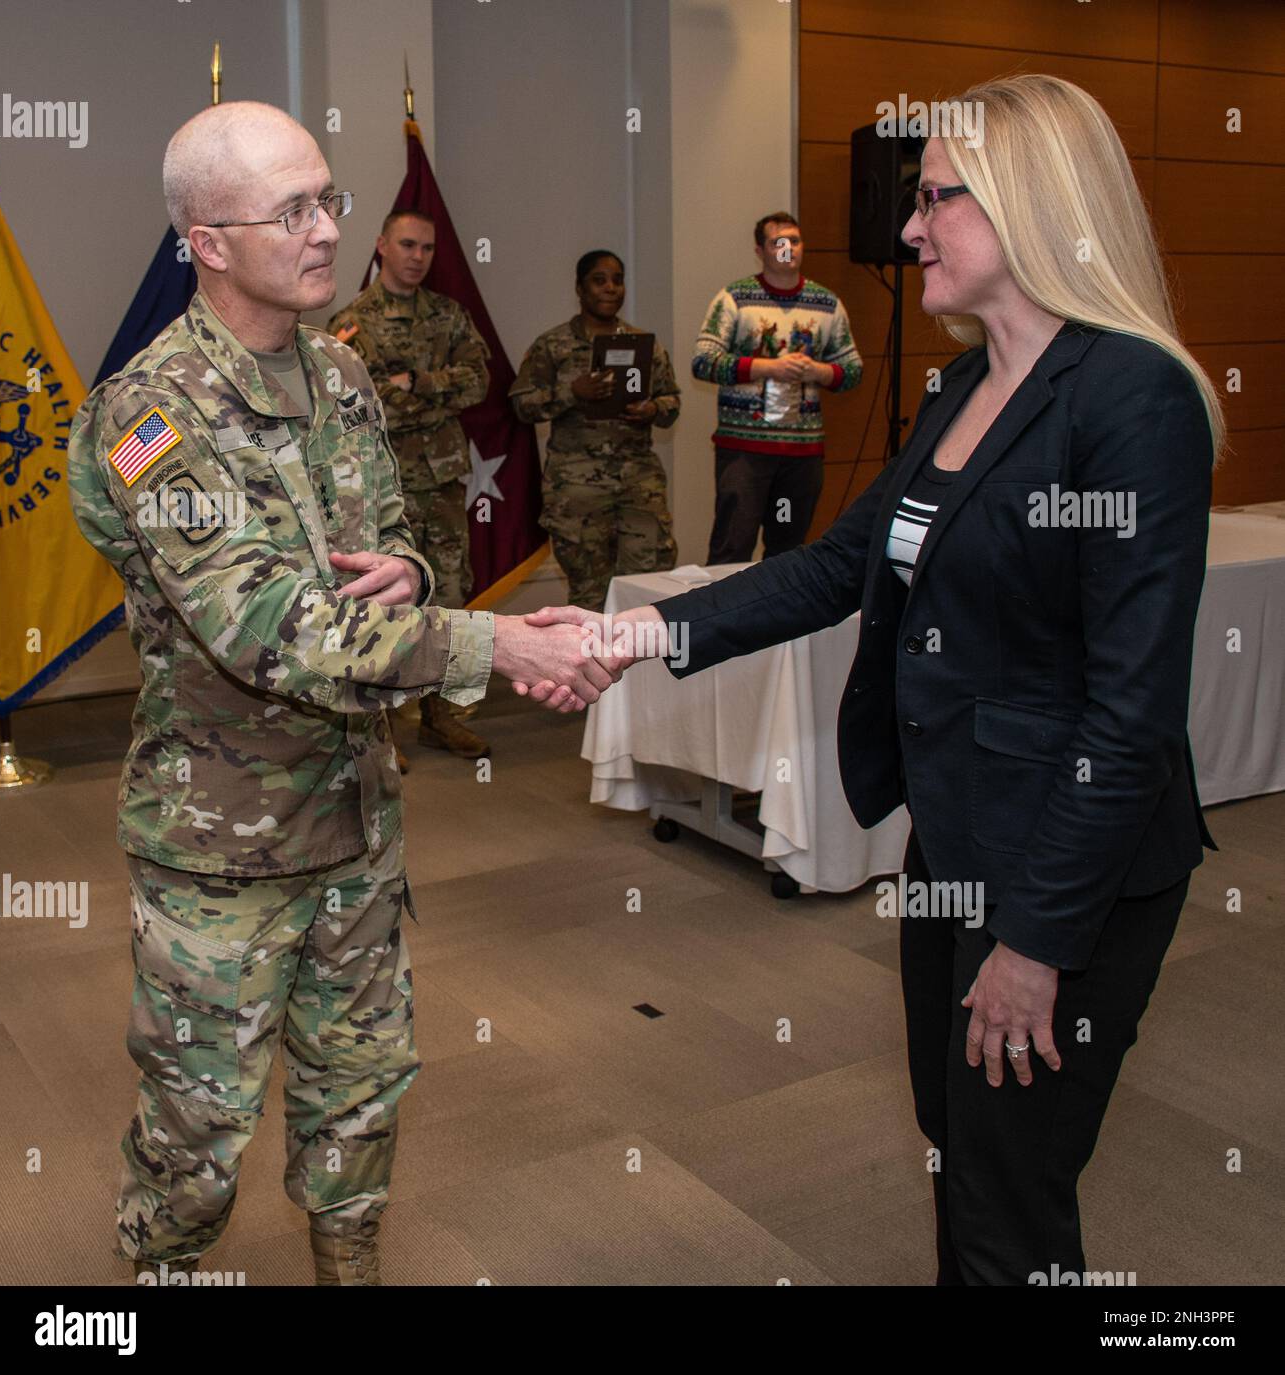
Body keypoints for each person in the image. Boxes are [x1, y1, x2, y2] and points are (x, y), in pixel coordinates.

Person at [523, 74, 1223, 1286]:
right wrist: (628, 634)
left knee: (1010, 1194)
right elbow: (841, 565)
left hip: (1068, 876)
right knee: (958, 1145)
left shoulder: (1131, 399)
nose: (907, 229)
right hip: (952, 842)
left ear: (1032, 208)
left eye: (937, 200)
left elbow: (1131, 712)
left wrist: (1038, 940)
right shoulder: (958, 390)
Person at [67, 101, 615, 1287]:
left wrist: (416, 568)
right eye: (293, 210)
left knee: (358, 1094)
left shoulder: (341, 372)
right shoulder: (153, 417)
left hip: (356, 820)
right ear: (208, 241)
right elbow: (265, 627)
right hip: (222, 848)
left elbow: (388, 536)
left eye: (330, 201)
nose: (327, 230)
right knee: (196, 1141)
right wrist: (495, 649)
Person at [329, 211, 493, 761]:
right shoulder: (350, 322)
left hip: (442, 481)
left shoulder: (450, 317)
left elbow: (478, 382)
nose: (418, 256)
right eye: (406, 244)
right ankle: (385, 730)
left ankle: (445, 716)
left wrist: (417, 382)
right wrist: (414, 395)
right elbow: (344, 401)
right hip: (378, 489)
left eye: (426, 247)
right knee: (385, 605)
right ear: (380, 246)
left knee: (449, 595)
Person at [509, 250, 679, 611]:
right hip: (577, 490)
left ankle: (643, 668)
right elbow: (521, 406)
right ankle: (591, 666)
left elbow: (671, 402)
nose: (610, 288)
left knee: (647, 590)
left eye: (617, 280)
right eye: (599, 280)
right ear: (580, 288)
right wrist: (571, 393)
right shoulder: (552, 346)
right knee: (590, 597)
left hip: (639, 485)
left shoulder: (643, 344)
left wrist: (652, 408)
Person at [692, 213, 862, 564]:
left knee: (789, 550)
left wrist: (816, 371)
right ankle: (717, 617)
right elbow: (703, 362)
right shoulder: (735, 298)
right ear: (760, 250)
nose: (788, 249)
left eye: (794, 241)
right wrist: (767, 367)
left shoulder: (826, 303)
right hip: (745, 450)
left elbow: (853, 372)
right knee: (732, 545)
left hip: (802, 453)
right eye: (777, 242)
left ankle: (778, 617)